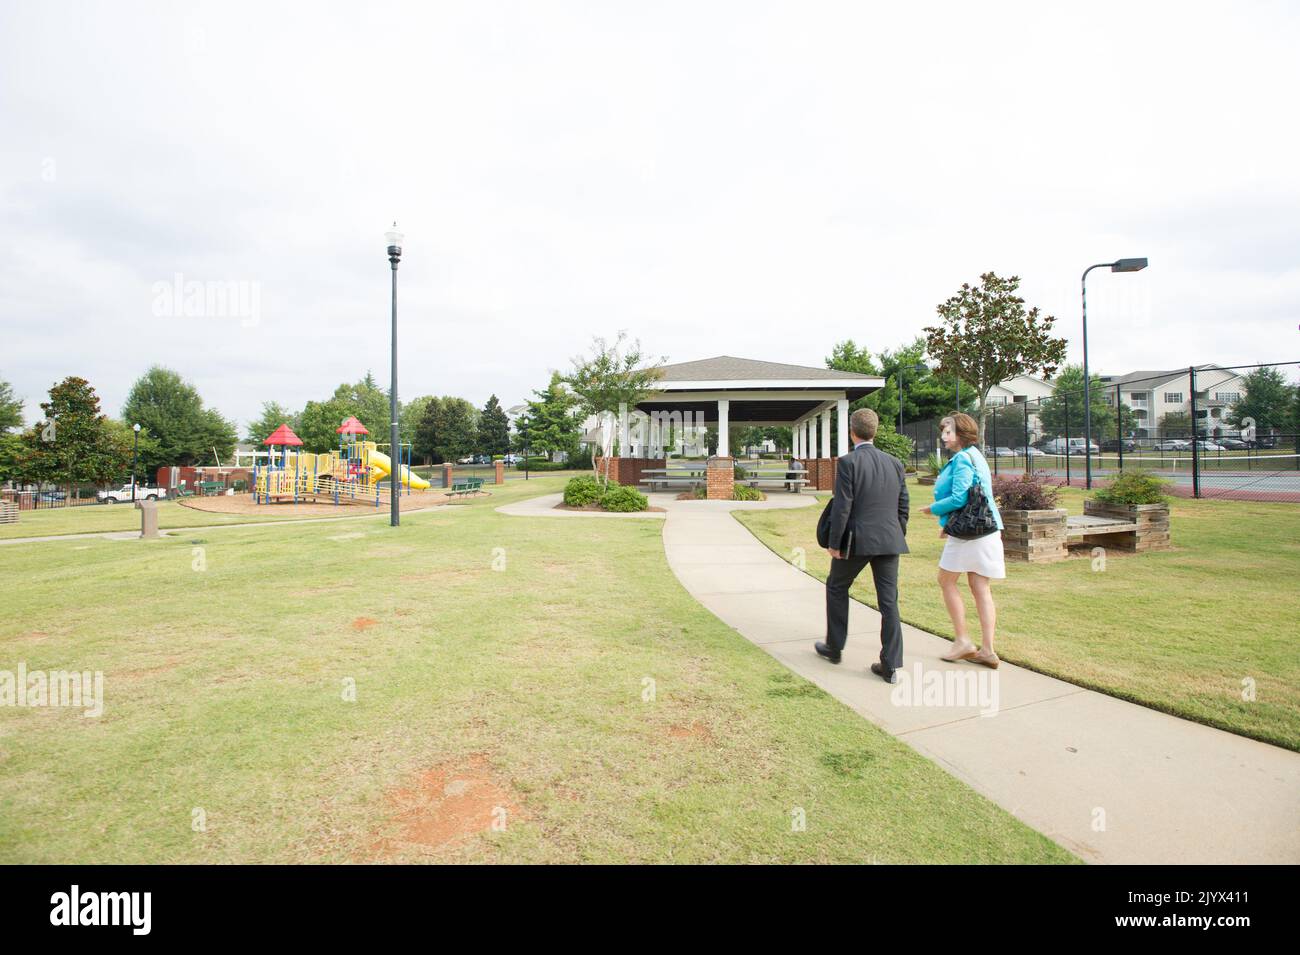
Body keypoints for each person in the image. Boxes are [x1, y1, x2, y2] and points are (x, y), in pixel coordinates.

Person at [814, 408, 910, 684]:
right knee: (889, 601)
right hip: (890, 540)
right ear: (875, 431)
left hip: (856, 541)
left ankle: (834, 647)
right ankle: (891, 665)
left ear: (852, 431)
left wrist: (835, 543)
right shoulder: (895, 462)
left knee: (836, 586)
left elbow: (842, 506)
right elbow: (903, 506)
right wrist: (895, 532)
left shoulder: (848, 462)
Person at [920, 412, 1005, 669]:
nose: (944, 436)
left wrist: (932, 509)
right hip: (986, 531)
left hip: (970, 536)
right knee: (980, 587)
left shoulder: (962, 460)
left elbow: (959, 498)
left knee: (946, 580)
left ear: (961, 434)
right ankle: (987, 650)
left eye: (948, 431)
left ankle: (963, 641)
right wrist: (948, 525)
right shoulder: (976, 456)